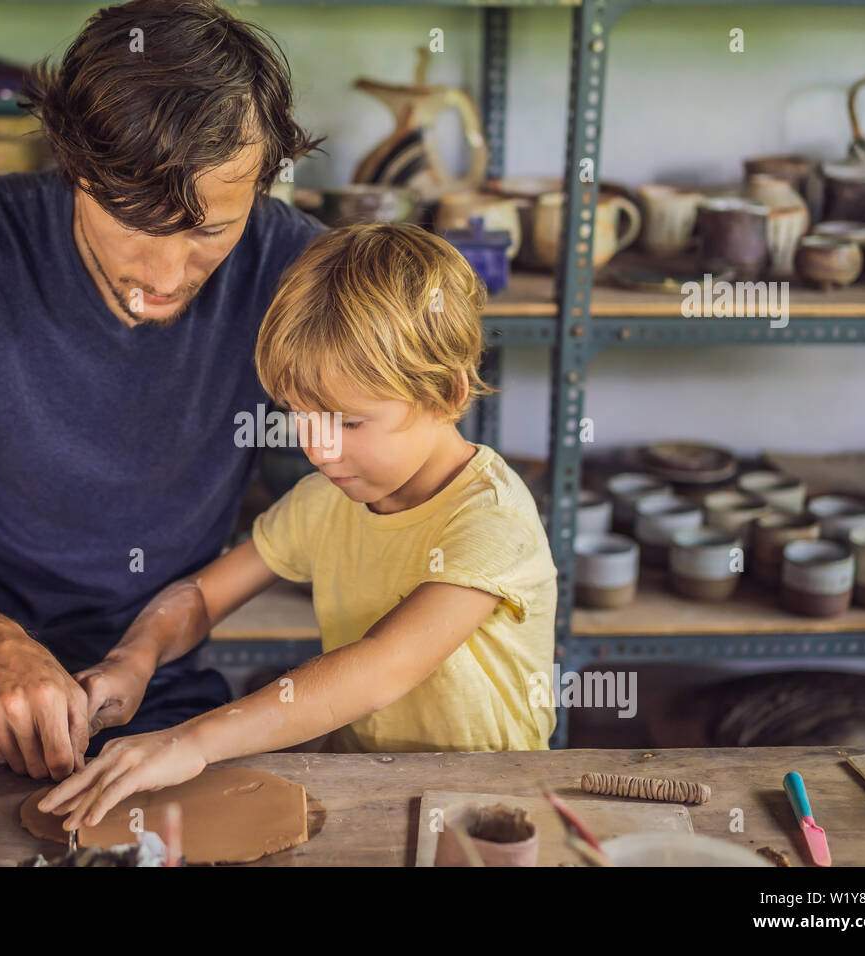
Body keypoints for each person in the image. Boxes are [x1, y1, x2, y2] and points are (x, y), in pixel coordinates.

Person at [0, 0, 326, 778]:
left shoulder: (297, 269)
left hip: (157, 698)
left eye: (207, 231)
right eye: (137, 224)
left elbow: (409, 482)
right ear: (76, 166)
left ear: (261, 184)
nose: (163, 277)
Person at [38, 223, 558, 830]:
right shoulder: (326, 500)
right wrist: (135, 658)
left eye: (349, 423)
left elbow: (382, 666)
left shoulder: (492, 520)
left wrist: (193, 742)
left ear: (445, 395)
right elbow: (202, 596)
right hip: (369, 788)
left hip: (491, 806)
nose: (318, 450)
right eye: (299, 418)